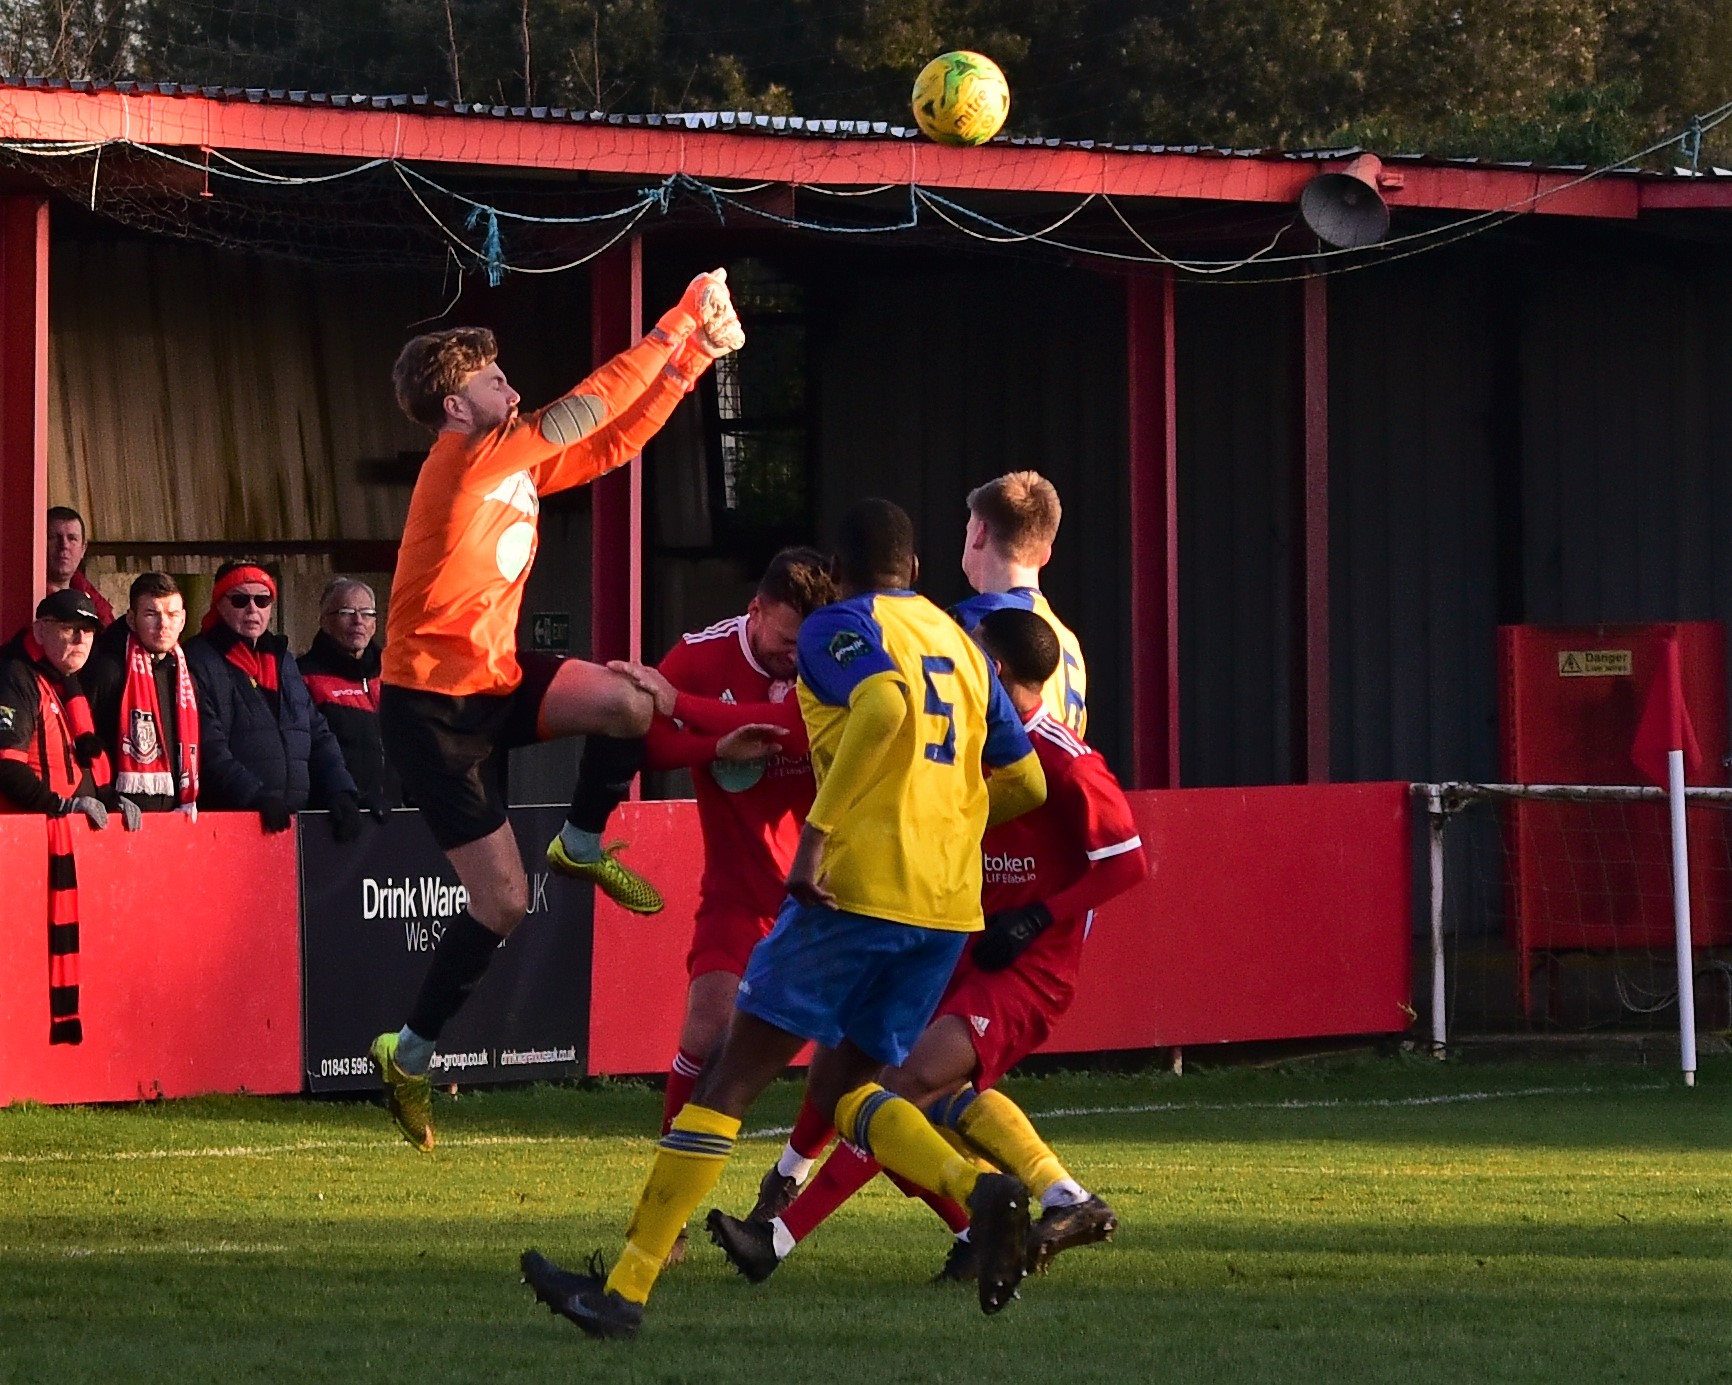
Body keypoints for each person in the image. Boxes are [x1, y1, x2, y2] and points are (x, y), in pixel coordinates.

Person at [519, 497, 1048, 1340]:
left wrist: (821, 836)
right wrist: (948, 817)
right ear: (915, 569)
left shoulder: (839, 630)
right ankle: (976, 1192)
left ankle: (623, 1290)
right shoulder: (960, 642)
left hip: (855, 893)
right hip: (945, 905)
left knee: (730, 1077)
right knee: (850, 1094)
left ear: (835, 575)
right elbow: (1028, 785)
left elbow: (876, 709)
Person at [369, 270, 746, 1153]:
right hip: (430, 709)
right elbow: (583, 410)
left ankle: (579, 842)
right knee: (500, 904)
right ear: (457, 405)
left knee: (624, 701)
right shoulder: (468, 456)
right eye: (496, 380)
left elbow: (609, 445)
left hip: (492, 677)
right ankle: (409, 1052)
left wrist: (690, 366)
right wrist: (675, 326)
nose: (513, 389)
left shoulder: (503, 457)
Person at [708, 606, 1148, 1284]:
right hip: (956, 941)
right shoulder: (967, 741)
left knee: (899, 1087)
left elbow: (1127, 861)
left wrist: (1036, 918)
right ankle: (1046, 1204)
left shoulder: (1062, 758)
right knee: (868, 1082)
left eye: (970, 653)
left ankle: (778, 1236)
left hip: (1025, 970)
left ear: (993, 670)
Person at [753, 469, 1092, 1218]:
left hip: (936, 868)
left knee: (890, 1076)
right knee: (921, 1076)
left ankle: (977, 1213)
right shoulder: (1063, 642)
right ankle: (1040, 1199)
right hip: (1010, 879)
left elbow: (886, 710)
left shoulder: (958, 629)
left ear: (975, 535)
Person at [0, 588, 142, 1046]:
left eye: (87, 632)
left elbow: (82, 762)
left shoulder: (65, 678)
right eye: (69, 629)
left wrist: (111, 798)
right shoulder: (14, 674)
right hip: (20, 845)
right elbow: (5, 766)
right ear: (40, 629)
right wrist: (64, 806)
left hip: (56, 844)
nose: (81, 640)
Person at [183, 563, 362, 838]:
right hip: (231, 825)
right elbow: (208, 747)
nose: (252, 609)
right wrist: (254, 795)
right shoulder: (199, 659)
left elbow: (317, 732)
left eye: (262, 600)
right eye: (240, 600)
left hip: (294, 823)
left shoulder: (283, 660)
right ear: (219, 605)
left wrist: (340, 790)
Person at [952, 471, 1086, 734]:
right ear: (1046, 554)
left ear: (979, 533)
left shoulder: (976, 623)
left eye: (968, 529)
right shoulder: (1069, 642)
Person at [83, 572, 201, 815]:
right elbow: (85, 742)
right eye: (151, 614)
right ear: (131, 619)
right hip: (118, 817)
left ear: (183, 621)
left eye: (172, 615)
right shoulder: (108, 670)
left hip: (177, 818)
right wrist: (107, 798)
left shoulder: (187, 678)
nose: (163, 624)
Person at [298, 577, 401, 811]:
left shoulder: (393, 676)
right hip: (336, 817)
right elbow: (309, 751)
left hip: (397, 816)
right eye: (347, 612)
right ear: (325, 621)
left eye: (367, 613)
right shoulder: (303, 677)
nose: (358, 621)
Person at [45, 506, 115, 629]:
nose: (64, 545)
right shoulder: (23, 599)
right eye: (54, 538)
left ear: (83, 549)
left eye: (72, 538)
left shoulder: (96, 605)